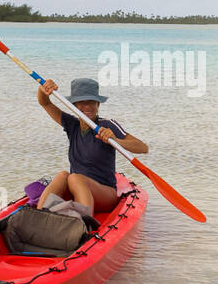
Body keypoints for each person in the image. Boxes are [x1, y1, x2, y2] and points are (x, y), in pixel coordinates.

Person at [36, 77, 148, 214]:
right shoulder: (72, 125)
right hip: (76, 188)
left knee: (74, 177)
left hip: (105, 193)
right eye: (81, 103)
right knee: (63, 175)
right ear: (74, 105)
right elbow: (45, 103)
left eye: (91, 102)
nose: (87, 107)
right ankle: (39, 214)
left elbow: (143, 148)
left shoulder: (107, 125)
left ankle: (84, 223)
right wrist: (44, 89)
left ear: (98, 104)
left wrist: (116, 140)